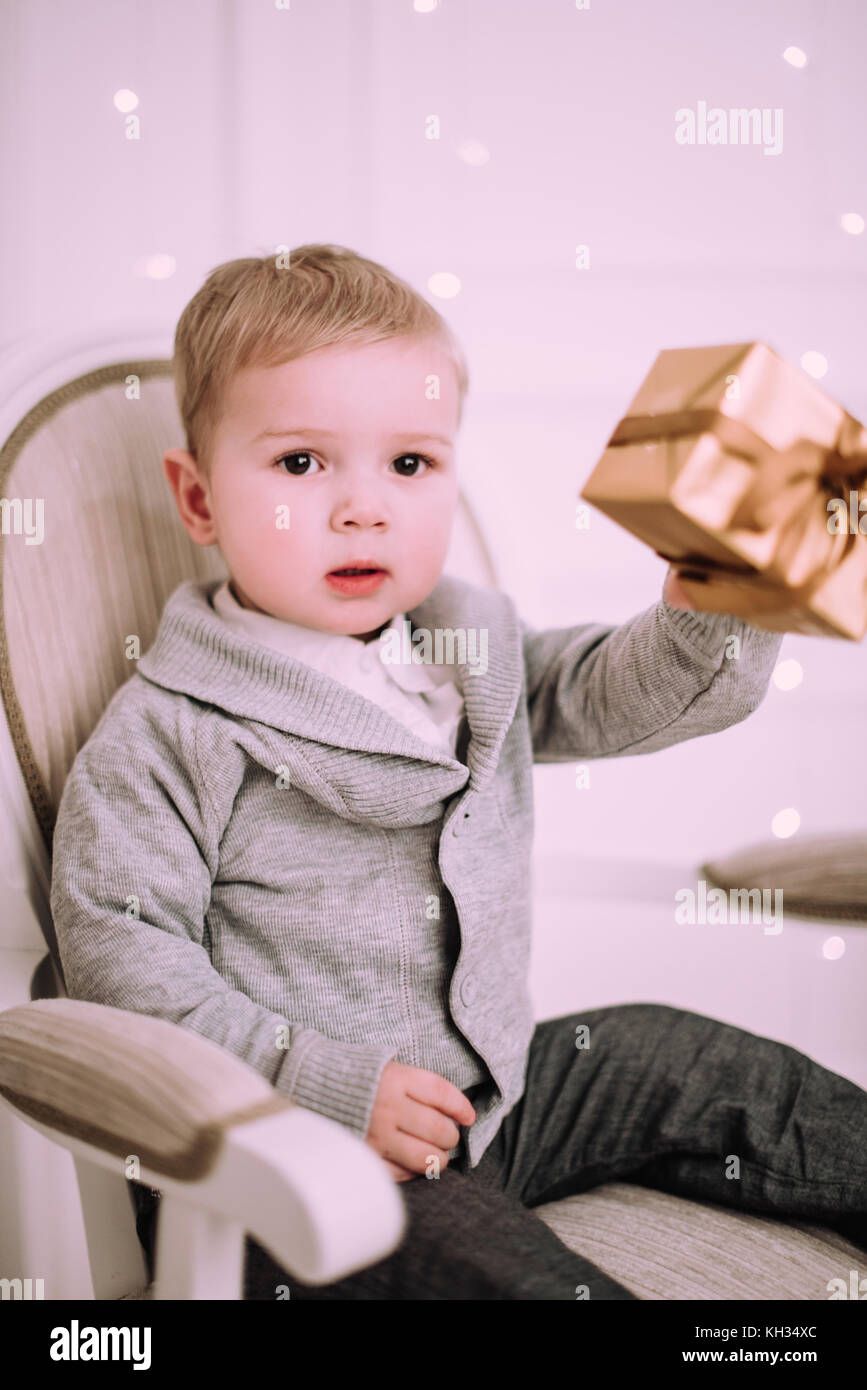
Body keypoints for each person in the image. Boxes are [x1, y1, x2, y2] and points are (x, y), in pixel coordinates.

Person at [50, 245, 867, 1299]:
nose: (363, 507)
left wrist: (721, 595)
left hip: (501, 1093)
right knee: (511, 1276)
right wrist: (321, 1083)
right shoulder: (170, 730)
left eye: (410, 464)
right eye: (301, 463)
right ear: (199, 499)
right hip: (304, 1159)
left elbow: (610, 691)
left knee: (703, 1065)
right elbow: (125, 970)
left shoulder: (461, 647)